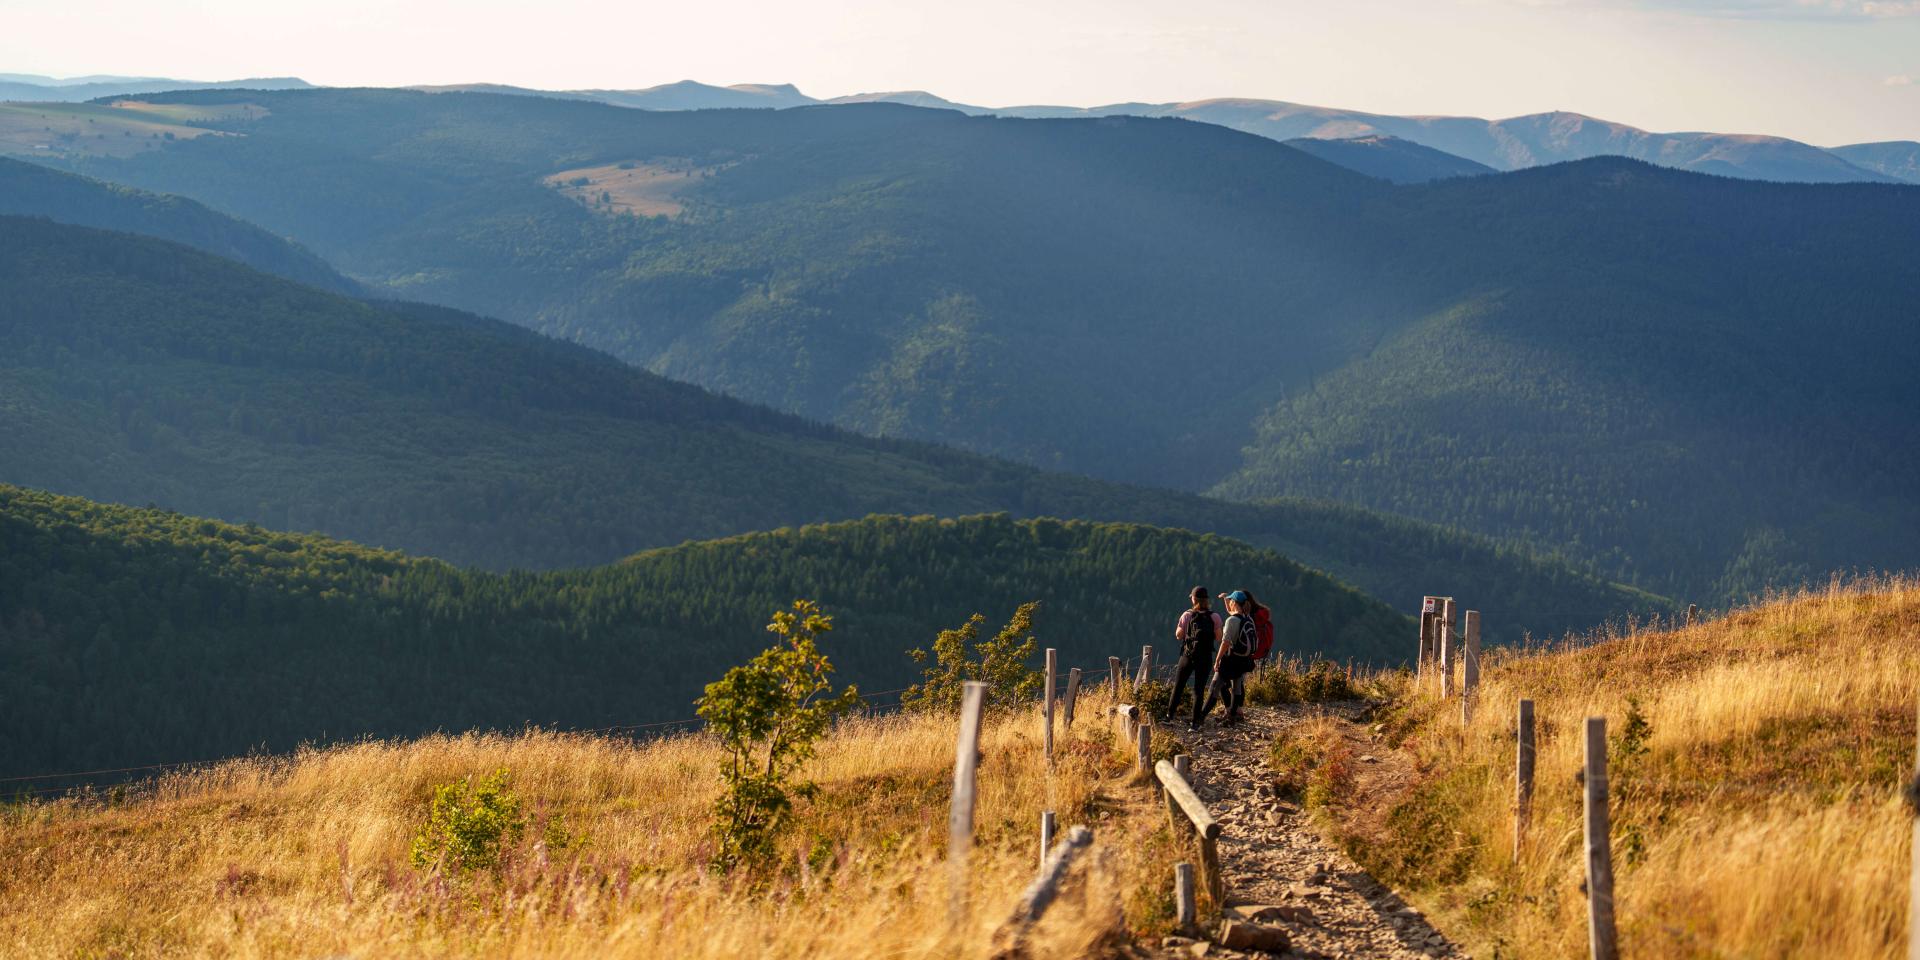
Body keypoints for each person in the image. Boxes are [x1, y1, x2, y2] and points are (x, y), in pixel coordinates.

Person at [1165, 586, 1221, 731]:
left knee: (1179, 686)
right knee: (1199, 690)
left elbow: (1178, 635)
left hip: (1187, 656)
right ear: (1206, 600)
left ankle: (1169, 716)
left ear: (1193, 599)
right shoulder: (1214, 616)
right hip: (1205, 657)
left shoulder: (1187, 615)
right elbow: (1219, 637)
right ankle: (1195, 724)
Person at [1200, 590, 1258, 725]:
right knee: (1237, 686)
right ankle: (1232, 718)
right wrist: (1226, 599)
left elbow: (1225, 642)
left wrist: (1218, 659)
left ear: (1234, 602)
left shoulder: (1231, 620)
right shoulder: (1247, 618)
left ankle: (1200, 717)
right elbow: (1232, 613)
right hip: (1243, 659)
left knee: (1215, 686)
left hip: (1230, 659)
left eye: (1231, 600)